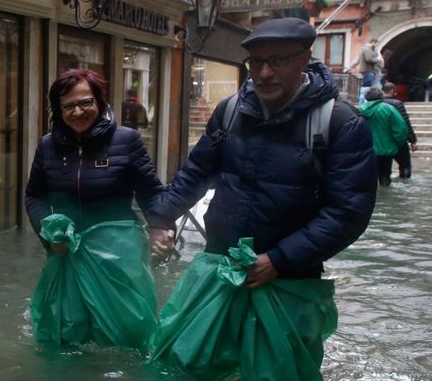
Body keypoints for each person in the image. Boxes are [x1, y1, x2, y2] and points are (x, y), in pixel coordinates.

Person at [148, 17, 377, 289]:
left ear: (304, 60)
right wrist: (162, 218)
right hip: (221, 264)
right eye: (256, 63)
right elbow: (197, 173)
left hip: (292, 278)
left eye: (277, 61)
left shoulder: (340, 122)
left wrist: (279, 260)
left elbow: (347, 213)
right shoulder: (230, 111)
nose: (265, 73)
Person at [26, 69, 163, 244]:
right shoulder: (47, 146)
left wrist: (160, 226)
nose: (77, 112)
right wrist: (49, 233)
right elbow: (35, 195)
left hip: (120, 252)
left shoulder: (127, 140)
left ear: (99, 102)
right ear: (58, 110)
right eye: (68, 106)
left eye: (85, 103)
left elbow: (151, 192)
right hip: (66, 251)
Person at [358, 88, 409, 187]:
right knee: (385, 176)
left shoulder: (360, 110)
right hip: (386, 150)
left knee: (368, 177)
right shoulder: (389, 109)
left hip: (366, 150)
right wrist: (397, 143)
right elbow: (401, 129)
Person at [381, 82, 417, 178]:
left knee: (384, 170)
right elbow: (405, 122)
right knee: (405, 166)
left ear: (382, 90)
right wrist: (412, 140)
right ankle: (405, 180)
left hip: (381, 141)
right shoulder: (397, 104)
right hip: (397, 140)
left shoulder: (377, 104)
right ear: (393, 91)